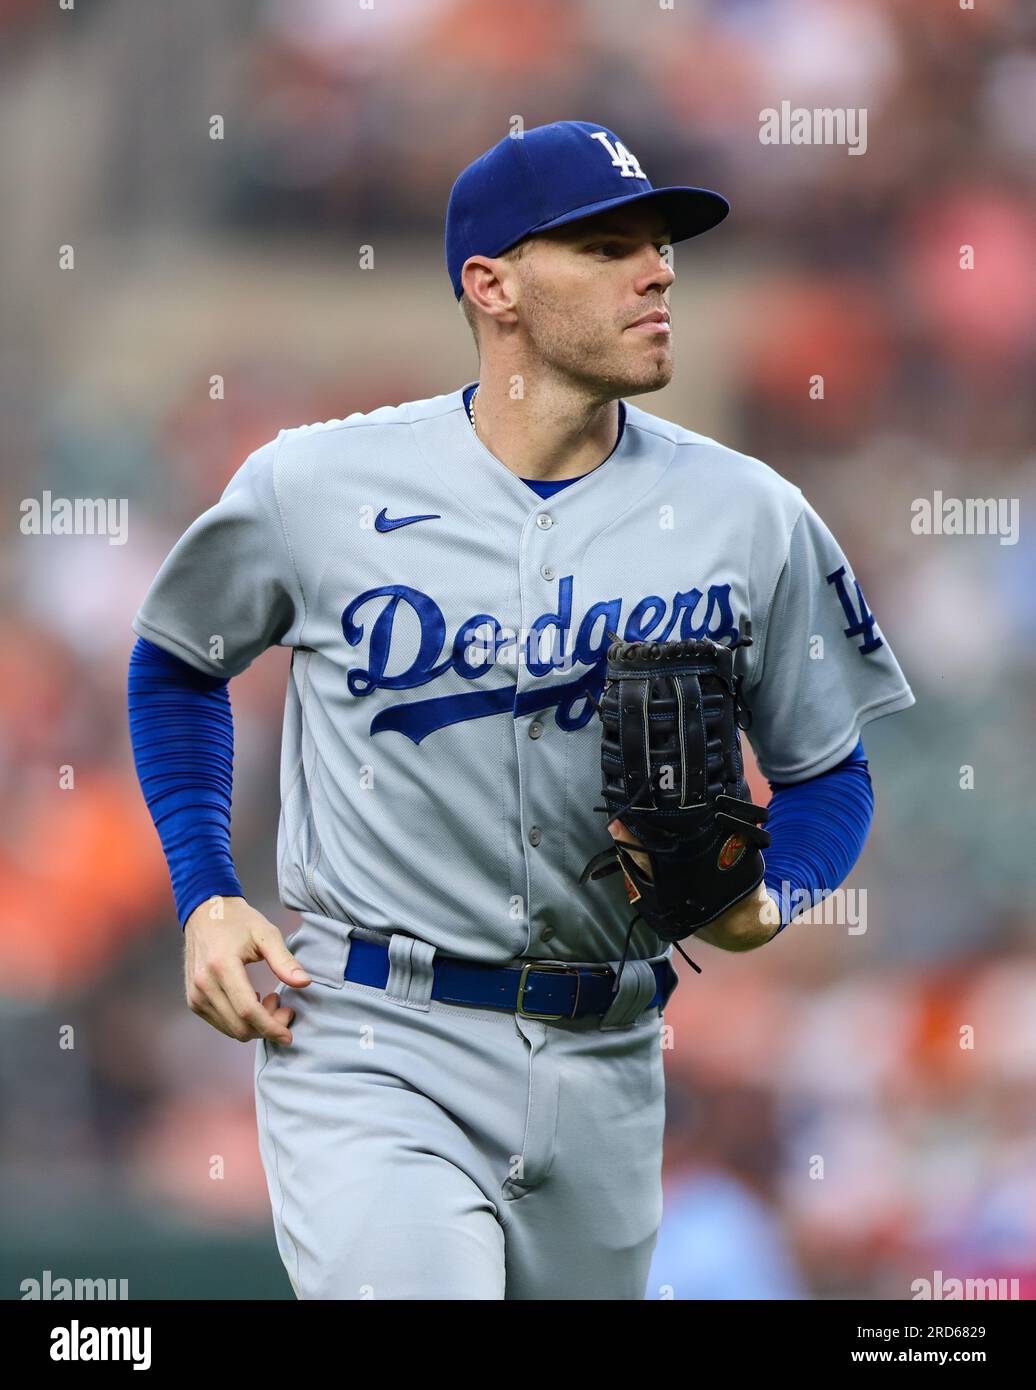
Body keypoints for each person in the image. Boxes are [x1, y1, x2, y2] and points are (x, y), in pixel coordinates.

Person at [128, 120, 915, 1300]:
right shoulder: (317, 485)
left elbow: (827, 771)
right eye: (607, 247)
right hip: (372, 1037)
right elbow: (180, 660)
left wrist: (773, 894)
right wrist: (204, 890)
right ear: (490, 285)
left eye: (659, 247)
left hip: (610, 1054)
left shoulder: (748, 513)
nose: (655, 272)